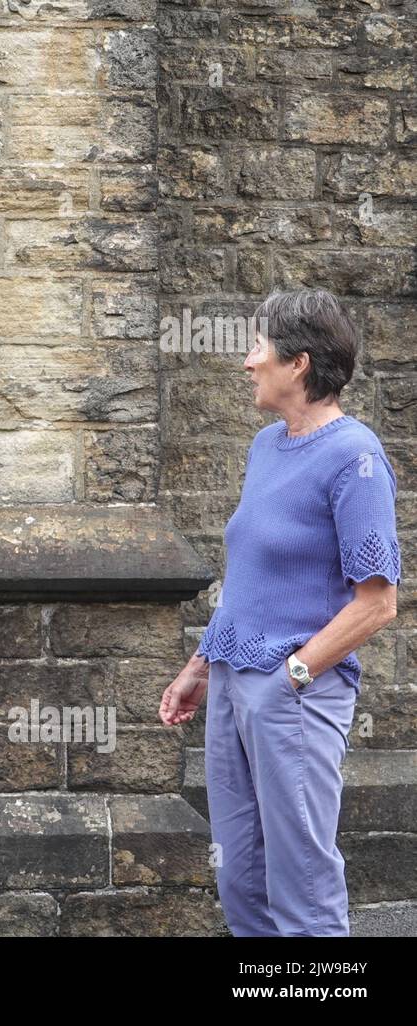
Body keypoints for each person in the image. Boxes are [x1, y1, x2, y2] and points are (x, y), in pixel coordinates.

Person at [159, 287, 400, 937]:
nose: (246, 362)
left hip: (296, 693)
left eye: (258, 346)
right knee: (239, 876)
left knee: (301, 882)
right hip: (233, 685)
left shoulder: (356, 456)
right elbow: (250, 577)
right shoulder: (266, 446)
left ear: (298, 363)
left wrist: (293, 674)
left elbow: (378, 604)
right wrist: (200, 664)